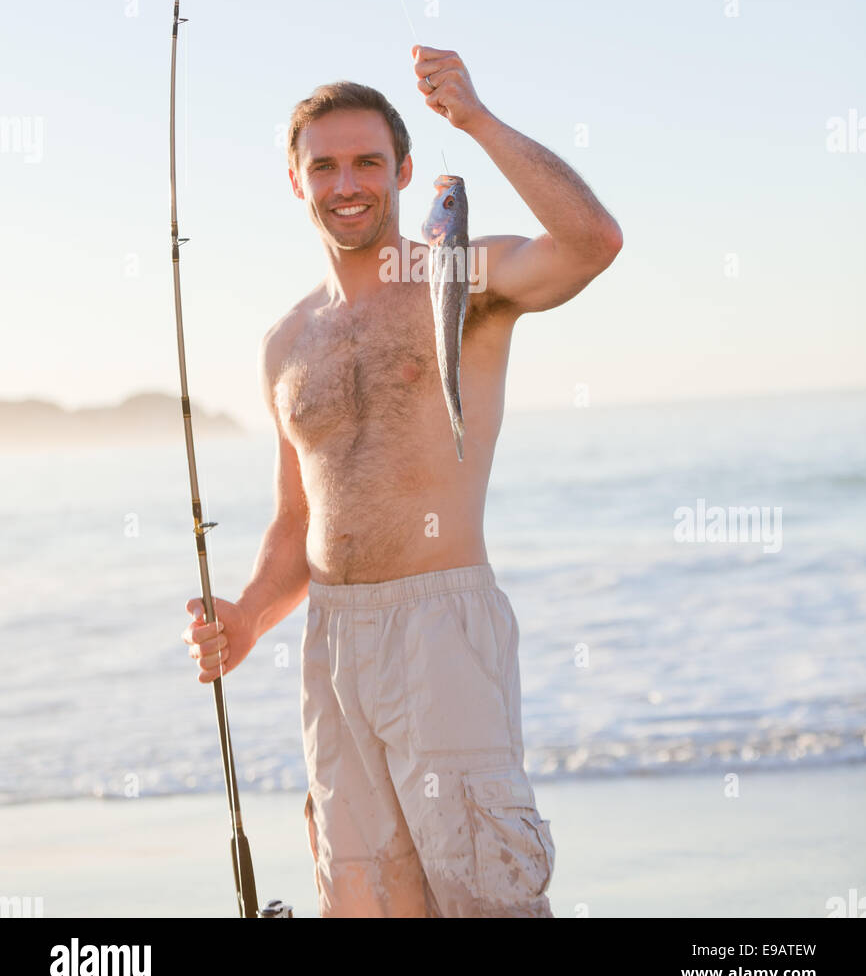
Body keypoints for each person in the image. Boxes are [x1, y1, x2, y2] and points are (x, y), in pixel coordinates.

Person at [182, 45, 622, 917]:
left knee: (486, 892)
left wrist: (478, 120)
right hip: (333, 651)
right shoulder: (286, 340)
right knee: (364, 898)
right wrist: (245, 617)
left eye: (368, 161)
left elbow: (591, 243)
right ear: (297, 181)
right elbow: (297, 519)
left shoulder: (455, 274)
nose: (348, 183)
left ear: (406, 170)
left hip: (440, 627)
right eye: (325, 165)